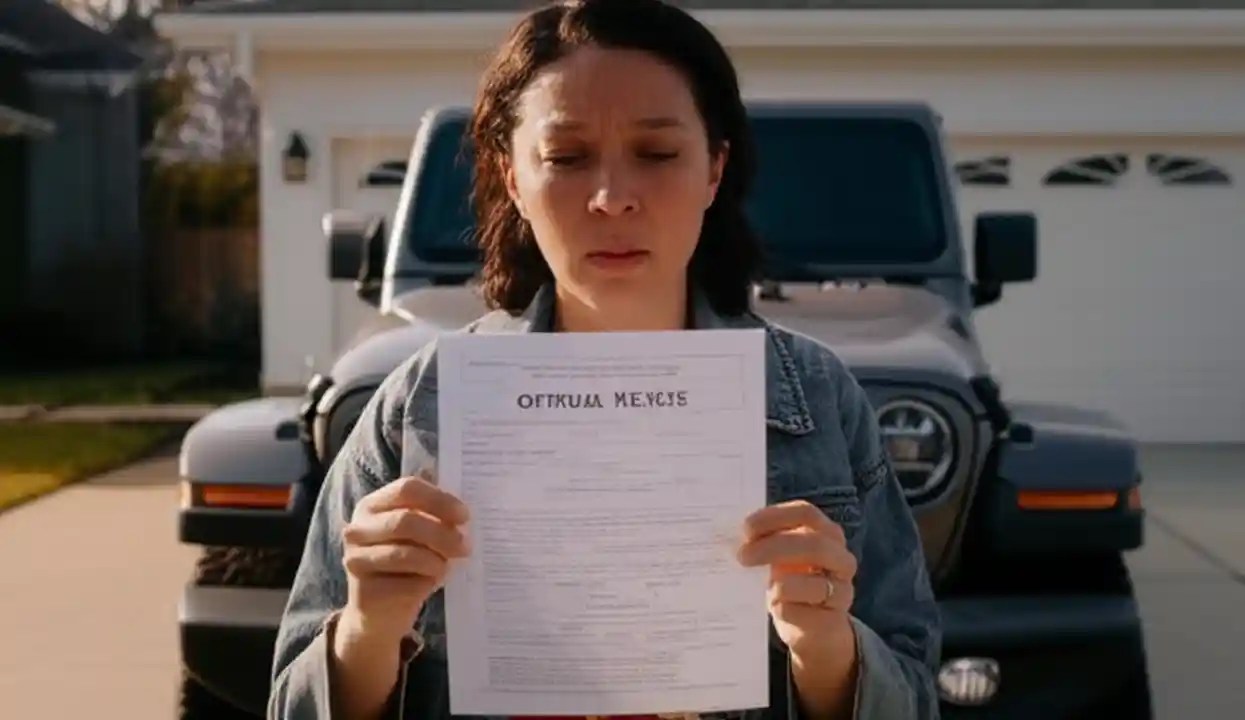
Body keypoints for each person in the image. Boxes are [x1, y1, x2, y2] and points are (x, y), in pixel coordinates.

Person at [267, 1, 941, 719]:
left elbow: (914, 695)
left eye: (657, 154)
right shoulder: (418, 407)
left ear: (714, 169)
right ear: (513, 177)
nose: (613, 199)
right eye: (566, 157)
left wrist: (828, 649)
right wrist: (368, 631)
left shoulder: (818, 398)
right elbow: (290, 705)